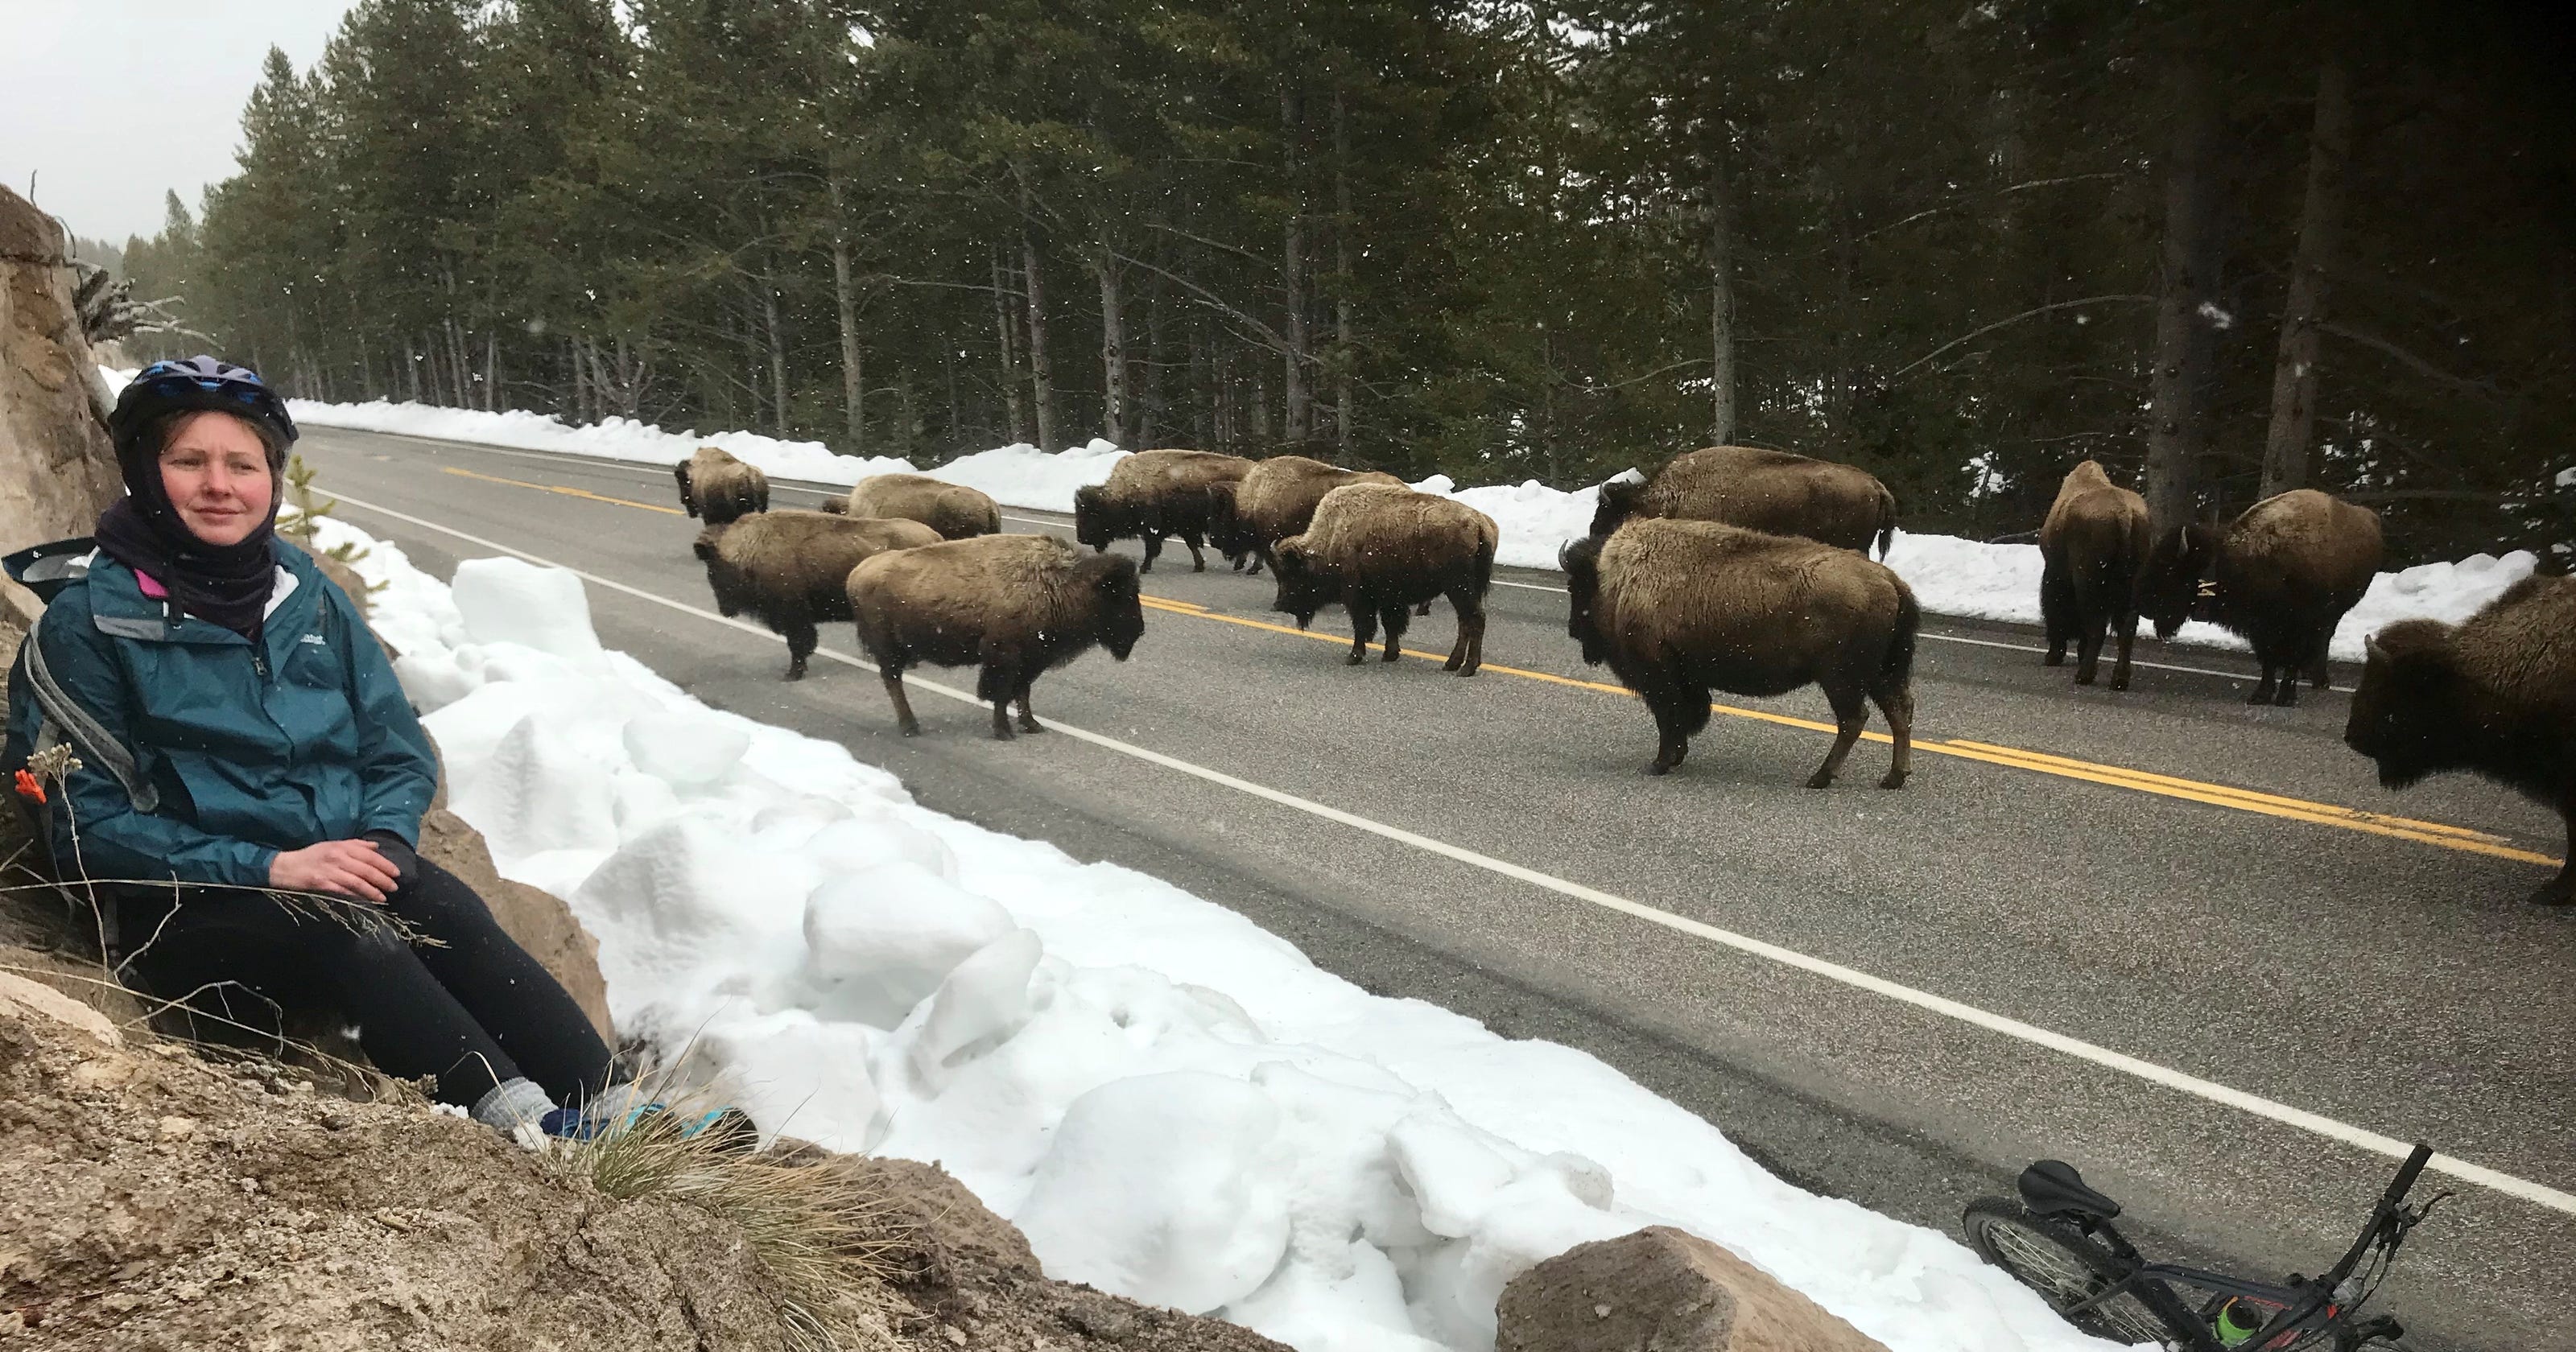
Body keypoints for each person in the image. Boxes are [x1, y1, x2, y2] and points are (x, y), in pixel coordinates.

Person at [3, 357, 691, 1144]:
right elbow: (82, 829)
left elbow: (394, 748)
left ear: (272, 480)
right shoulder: (87, 626)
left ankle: (620, 1115)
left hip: (326, 875)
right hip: (185, 914)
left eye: (242, 465)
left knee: (441, 903)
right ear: (144, 474)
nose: (219, 485)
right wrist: (271, 867)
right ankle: (532, 1131)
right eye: (189, 461)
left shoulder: (306, 597)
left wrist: (385, 841)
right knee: (345, 932)